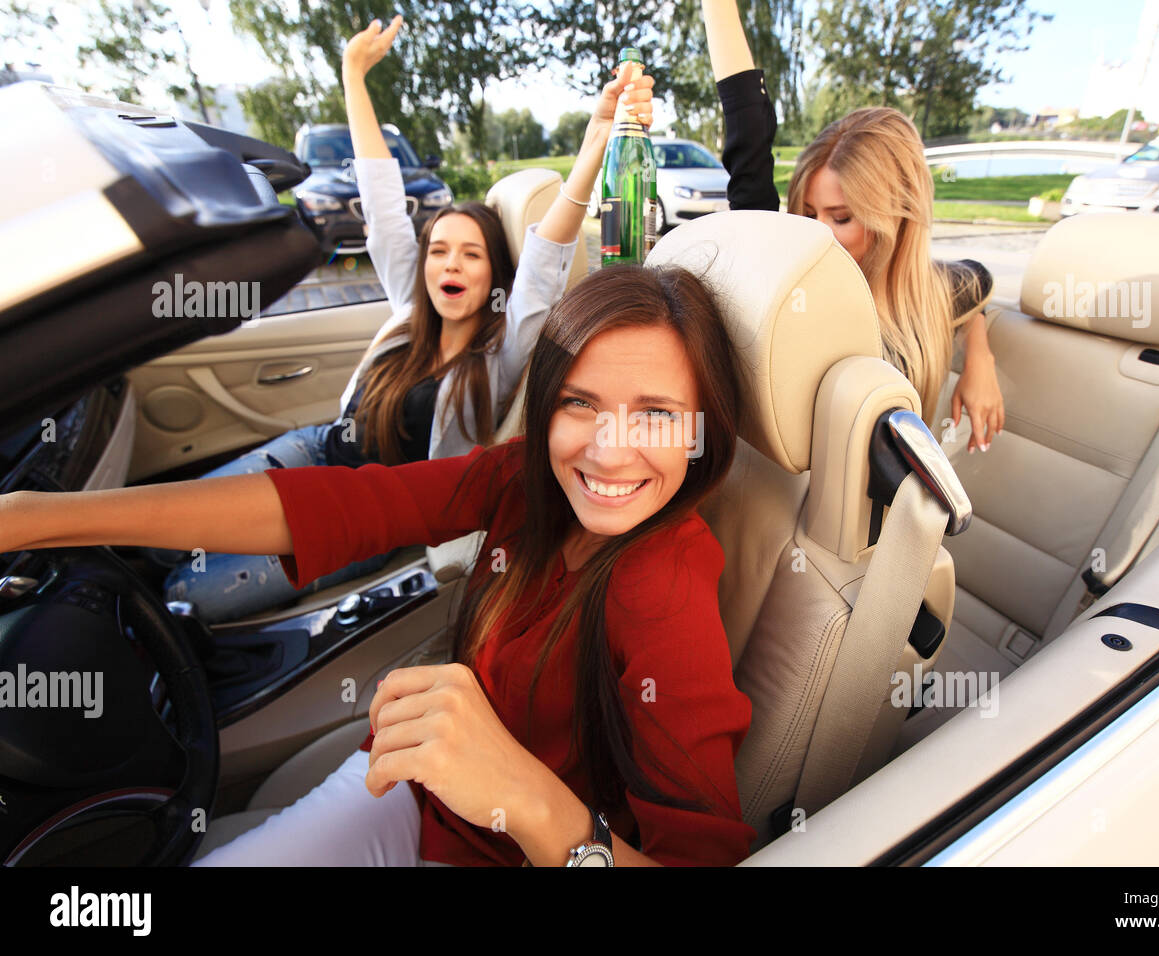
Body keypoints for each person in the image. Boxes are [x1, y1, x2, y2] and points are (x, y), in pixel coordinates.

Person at [0, 264, 755, 866]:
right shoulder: (526, 479)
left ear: (702, 430)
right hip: (415, 791)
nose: (609, 449)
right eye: (580, 403)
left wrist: (533, 802)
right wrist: (50, 516)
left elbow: (701, 858)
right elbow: (346, 505)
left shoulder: (663, 585)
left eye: (655, 412)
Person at [150, 16, 657, 623]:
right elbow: (384, 204)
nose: (450, 263)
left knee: (185, 596)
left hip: (361, 516)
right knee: (152, 536)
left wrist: (599, 134)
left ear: (495, 277)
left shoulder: (502, 357)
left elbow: (546, 257)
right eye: (438, 250)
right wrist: (353, 77)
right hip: (306, 453)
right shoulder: (411, 312)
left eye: (471, 254)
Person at [701, 0, 1004, 450]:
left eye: (841, 217)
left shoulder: (934, 293)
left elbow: (976, 282)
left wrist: (981, 355)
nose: (818, 233)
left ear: (896, 219)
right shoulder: (790, 278)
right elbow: (747, 136)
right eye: (807, 214)